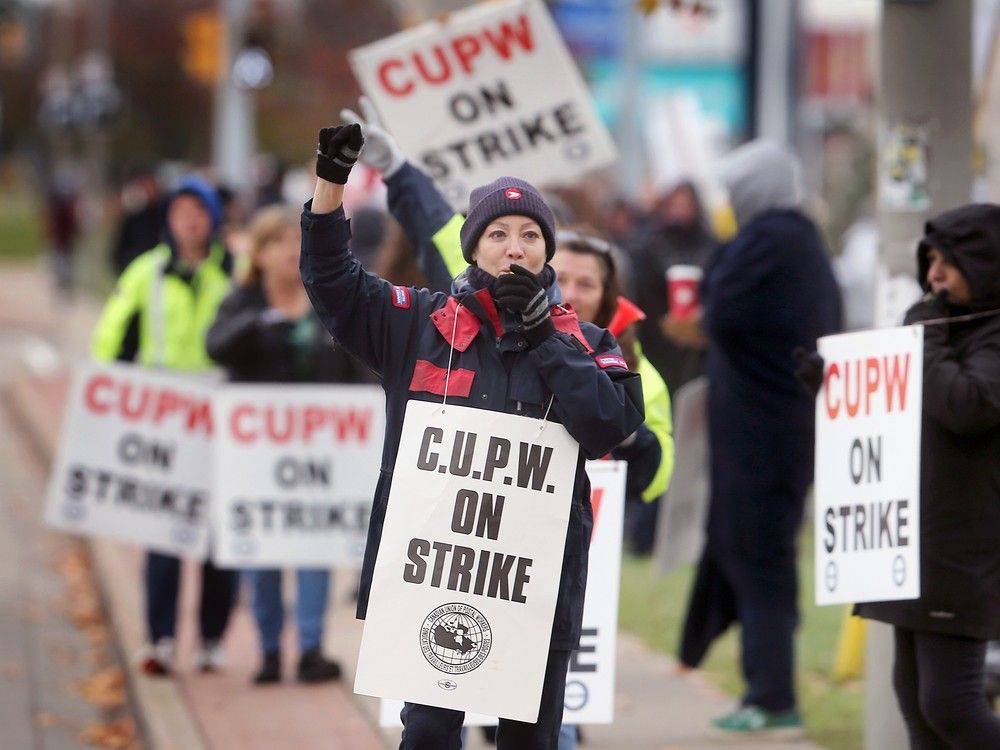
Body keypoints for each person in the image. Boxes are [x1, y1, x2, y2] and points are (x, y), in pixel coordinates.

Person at [301, 122, 644, 749]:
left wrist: (546, 340)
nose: (515, 248)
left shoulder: (589, 343)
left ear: (547, 252)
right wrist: (330, 184)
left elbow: (609, 425)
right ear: (473, 248)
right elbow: (333, 284)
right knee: (428, 736)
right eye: (498, 234)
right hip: (432, 583)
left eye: (531, 235)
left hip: (535, 590)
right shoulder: (417, 324)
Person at [797, 204, 1000, 749]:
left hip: (960, 547)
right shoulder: (939, 327)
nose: (933, 274)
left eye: (949, 262)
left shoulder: (983, 335)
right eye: (931, 259)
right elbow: (896, 413)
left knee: (951, 704)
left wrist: (924, 338)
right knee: (914, 703)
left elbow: (966, 405)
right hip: (912, 539)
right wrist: (833, 387)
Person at [677, 140, 842, 736]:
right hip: (766, 431)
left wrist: (710, 283)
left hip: (766, 436)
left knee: (760, 559)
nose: (726, 206)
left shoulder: (773, 240)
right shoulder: (791, 238)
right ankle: (763, 689)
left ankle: (773, 696)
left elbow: (720, 313)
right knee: (750, 554)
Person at [206, 204, 372, 684]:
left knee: (315, 546)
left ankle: (310, 648)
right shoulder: (243, 302)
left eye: (294, 241)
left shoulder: (327, 300)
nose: (289, 251)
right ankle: (269, 648)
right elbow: (215, 346)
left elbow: (357, 368)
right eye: (277, 241)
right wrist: (261, 325)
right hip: (259, 458)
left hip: (322, 457)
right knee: (262, 552)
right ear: (257, 253)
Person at [91, 174, 237, 675]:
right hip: (164, 423)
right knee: (164, 535)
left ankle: (212, 639)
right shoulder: (144, 272)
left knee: (219, 539)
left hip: (221, 423)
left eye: (198, 212)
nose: (188, 221)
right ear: (169, 220)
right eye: (180, 213)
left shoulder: (235, 273)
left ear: (213, 221)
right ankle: (160, 639)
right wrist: (106, 398)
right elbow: (110, 337)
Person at [629, 180, 716, 394]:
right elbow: (646, 296)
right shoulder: (652, 247)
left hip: (705, 340)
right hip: (664, 342)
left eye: (685, 204)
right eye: (675, 204)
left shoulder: (710, 244)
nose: (680, 211)